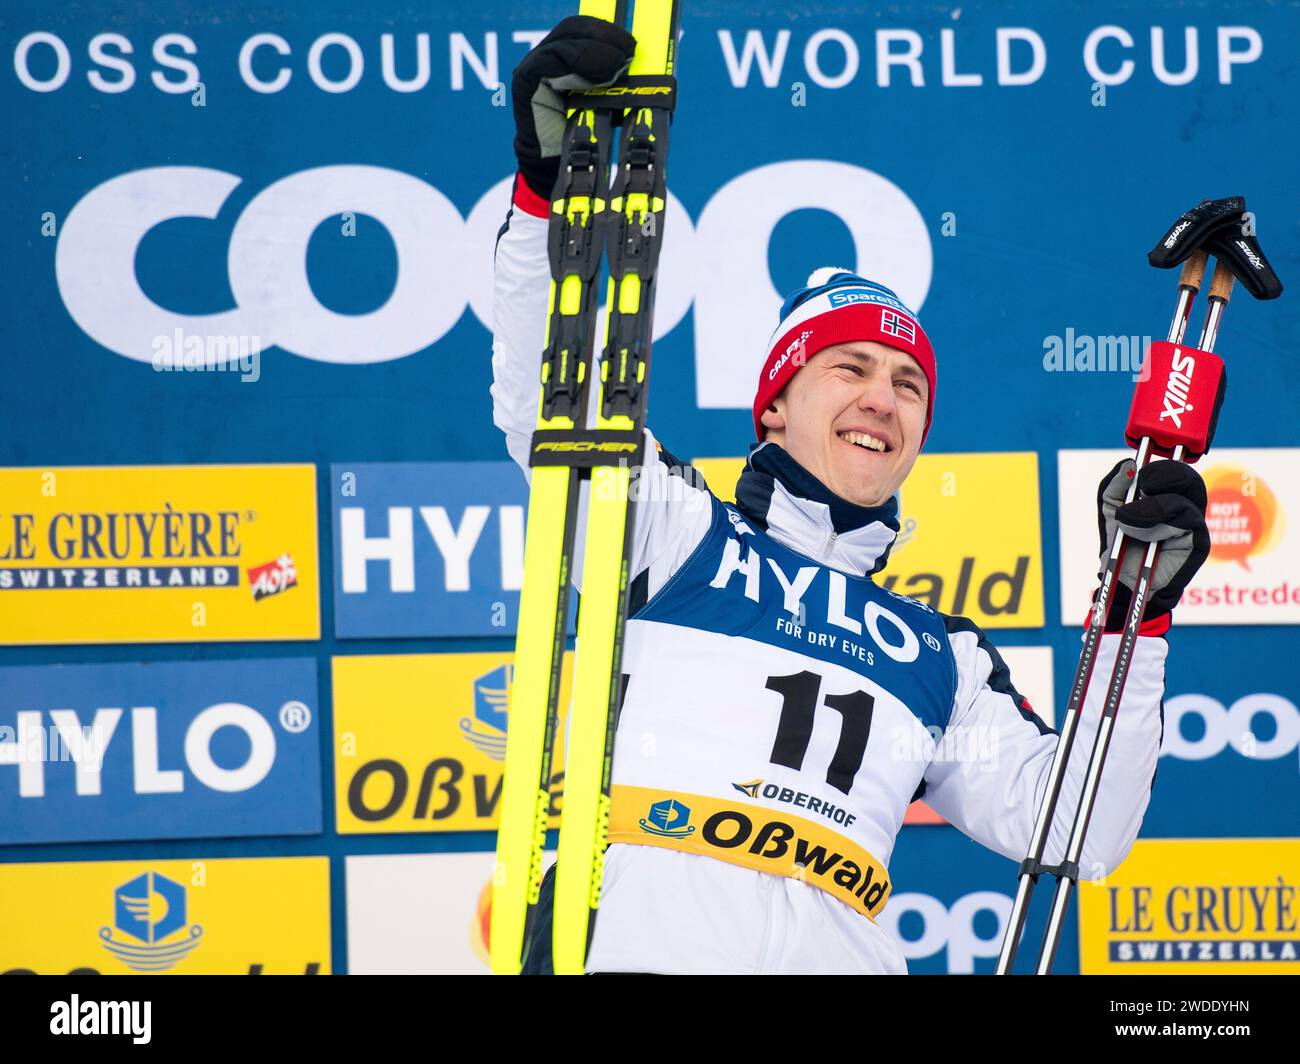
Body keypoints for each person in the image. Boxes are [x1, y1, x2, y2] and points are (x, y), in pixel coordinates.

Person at [491, 17, 1210, 974]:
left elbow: (1075, 827)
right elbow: (556, 392)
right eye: (851, 370)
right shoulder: (672, 532)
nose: (883, 398)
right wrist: (550, 196)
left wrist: (1135, 614)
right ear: (776, 407)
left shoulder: (938, 653)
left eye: (908, 385)